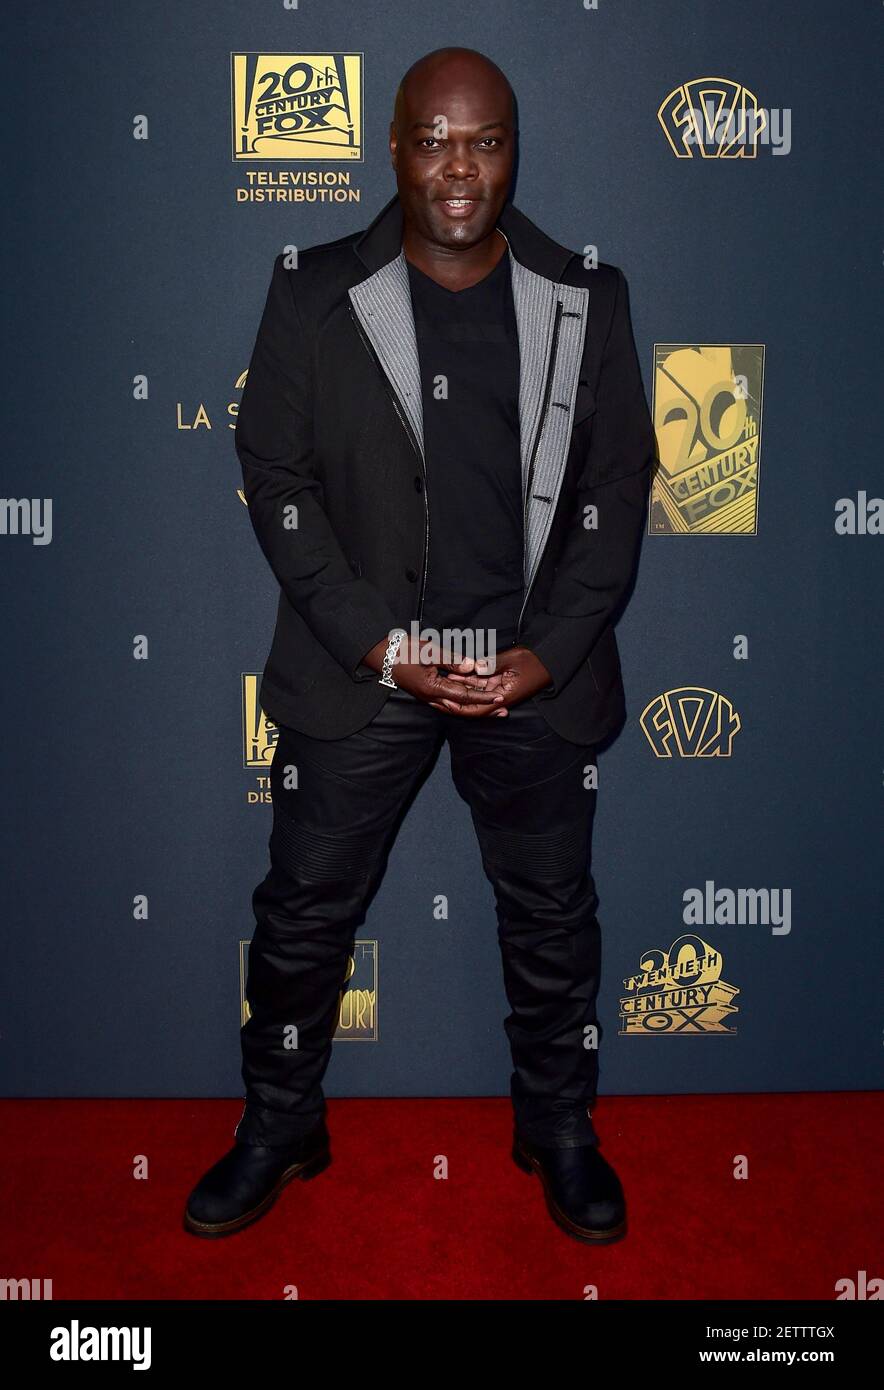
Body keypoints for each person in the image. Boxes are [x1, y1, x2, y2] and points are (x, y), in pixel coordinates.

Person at [184, 46, 655, 1244]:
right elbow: (273, 474)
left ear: (513, 153)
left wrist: (546, 652)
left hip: (526, 671)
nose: (459, 166)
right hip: (368, 671)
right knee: (301, 919)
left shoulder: (585, 295)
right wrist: (379, 647)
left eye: (484, 141)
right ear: (390, 145)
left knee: (551, 919)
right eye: (434, 138)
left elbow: (614, 484)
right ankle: (278, 1122)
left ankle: (554, 1126)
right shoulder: (312, 292)